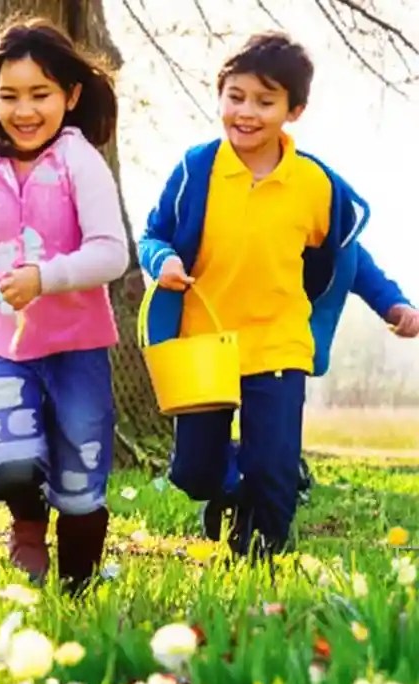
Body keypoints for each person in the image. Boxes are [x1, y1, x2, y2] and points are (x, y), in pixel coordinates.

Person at [138, 30, 419, 558]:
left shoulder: (313, 185)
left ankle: (265, 556)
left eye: (265, 102)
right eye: (235, 97)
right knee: (194, 472)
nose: (246, 112)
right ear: (220, 95)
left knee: (275, 474)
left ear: (294, 110)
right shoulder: (197, 169)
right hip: (204, 345)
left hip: (279, 343)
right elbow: (153, 235)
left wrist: (394, 302)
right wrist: (163, 261)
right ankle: (235, 489)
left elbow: (349, 258)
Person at [0, 17, 128, 591]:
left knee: (81, 476)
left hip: (77, 347)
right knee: (11, 458)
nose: (24, 110)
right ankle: (25, 528)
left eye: (40, 94)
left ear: (70, 96)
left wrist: (46, 277)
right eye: (9, 96)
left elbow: (112, 253)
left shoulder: (78, 160)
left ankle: (78, 583)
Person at [199, 247, 416, 540]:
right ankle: (235, 484)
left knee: (273, 441)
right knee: (199, 451)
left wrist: (395, 304)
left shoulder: (333, 219)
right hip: (221, 336)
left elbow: (357, 264)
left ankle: (262, 522)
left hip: (285, 351)